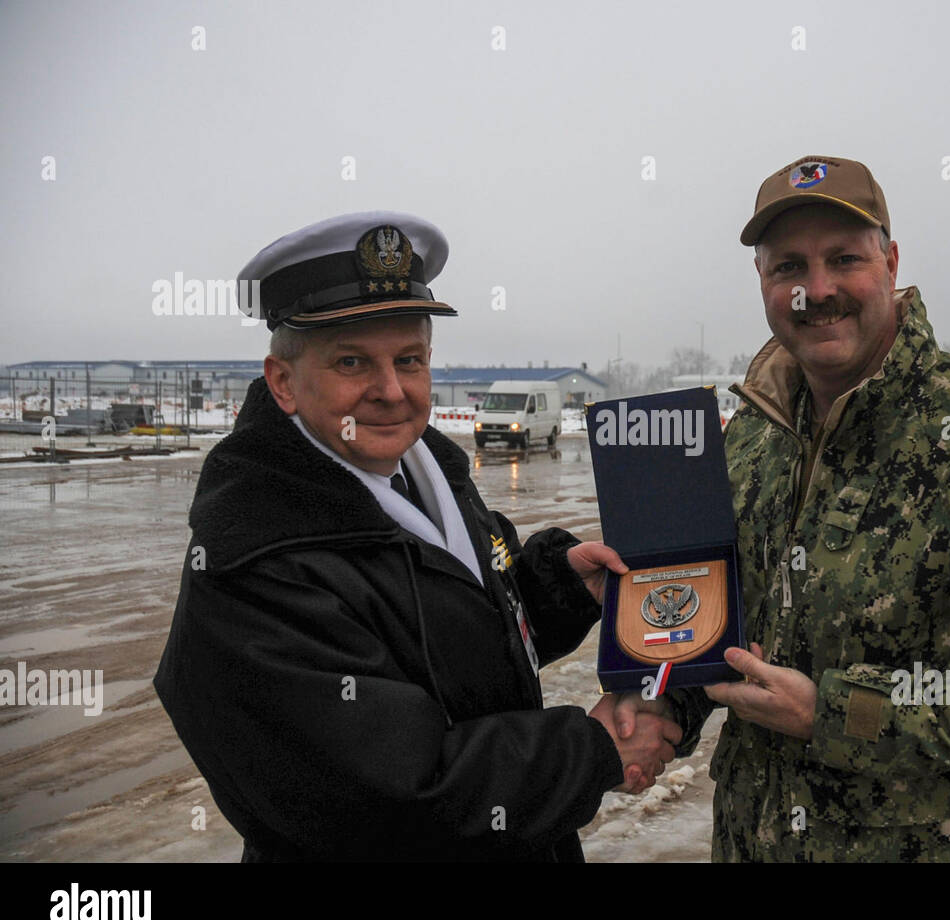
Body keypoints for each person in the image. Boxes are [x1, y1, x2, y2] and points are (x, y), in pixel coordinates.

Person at [614, 156, 950, 861]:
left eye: (842, 259)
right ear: (763, 282)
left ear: (890, 260)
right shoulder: (752, 436)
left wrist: (837, 713)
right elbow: (723, 632)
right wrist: (661, 699)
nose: (817, 290)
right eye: (789, 267)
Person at [154, 212, 680, 862]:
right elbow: (395, 796)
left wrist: (559, 586)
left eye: (411, 359)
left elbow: (450, 641)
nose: (391, 390)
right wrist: (589, 749)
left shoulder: (427, 471)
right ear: (284, 381)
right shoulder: (253, 562)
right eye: (352, 362)